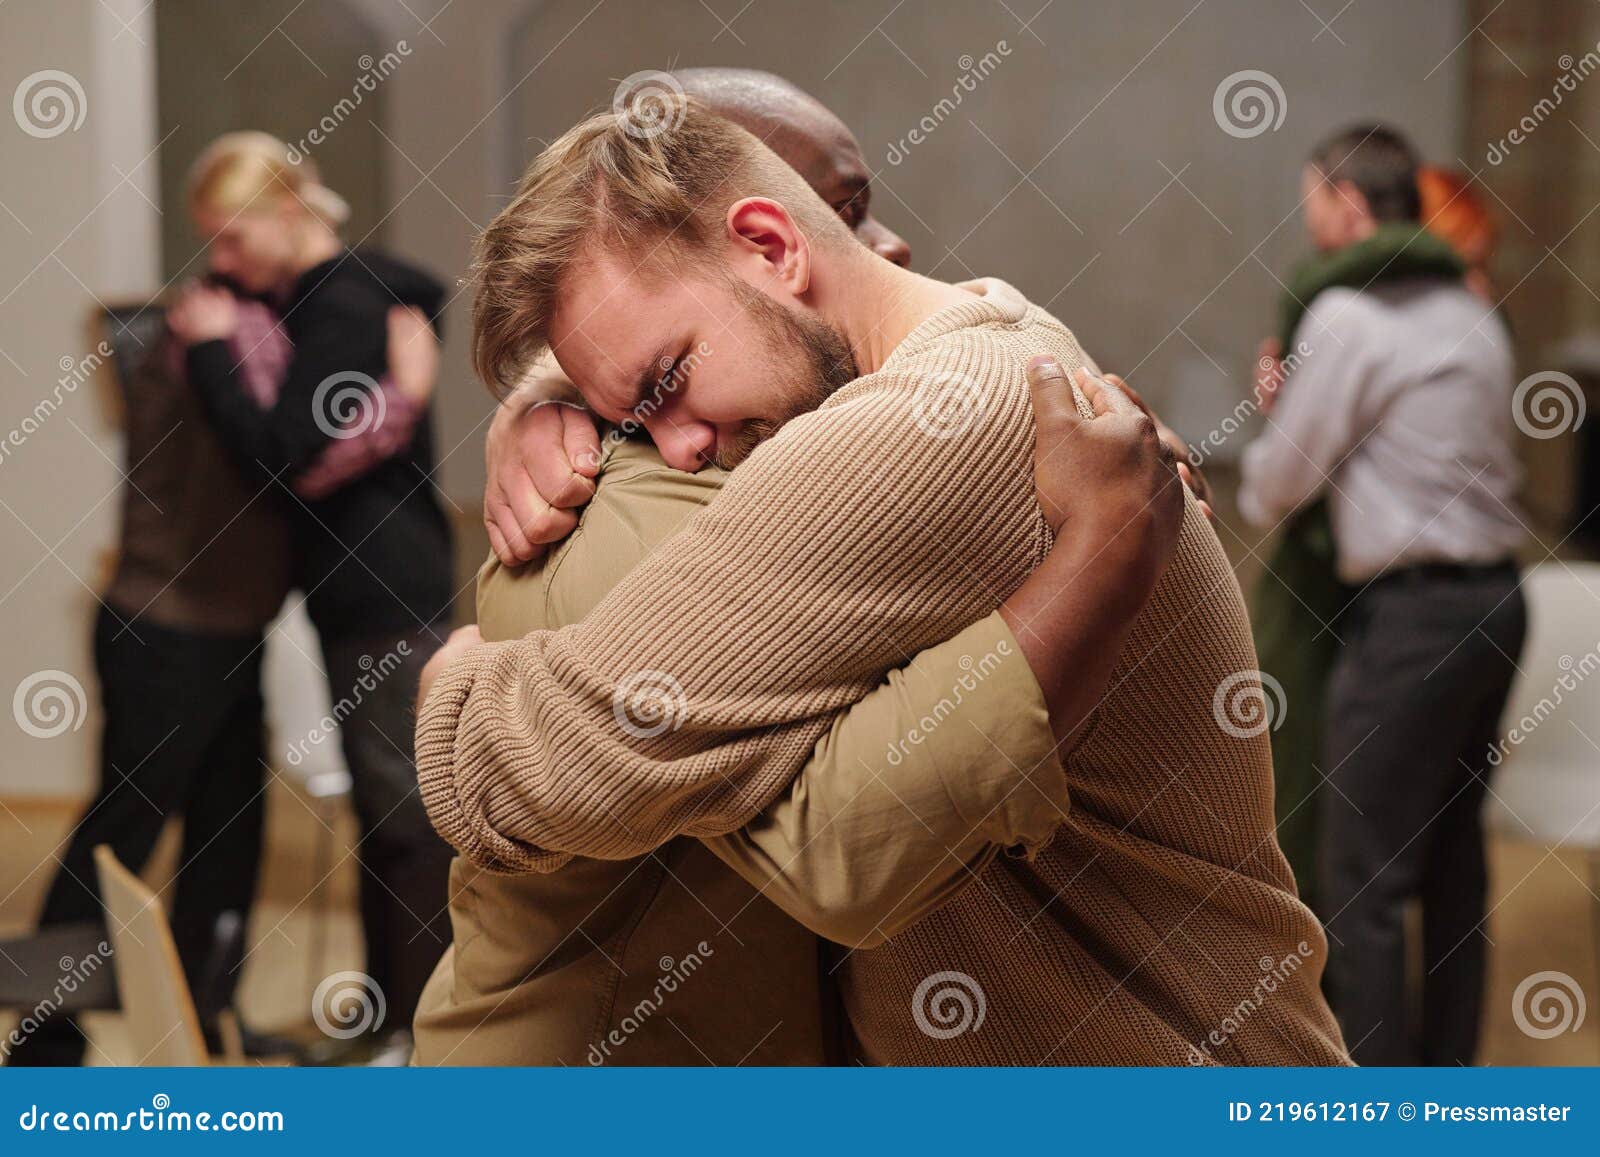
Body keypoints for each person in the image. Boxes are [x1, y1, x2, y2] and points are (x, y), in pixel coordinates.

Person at [417, 94, 1347, 1064]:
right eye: (632, 419)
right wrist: (542, 398)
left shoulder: (922, 430)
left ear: (771, 247)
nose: (679, 448)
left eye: (670, 378)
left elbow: (515, 771)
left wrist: (452, 681)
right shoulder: (983, 349)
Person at [4, 288, 436, 1066]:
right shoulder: (208, 350)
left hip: (230, 631)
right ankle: (44, 1045)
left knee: (228, 832)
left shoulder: (239, 344)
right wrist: (402, 394)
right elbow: (286, 456)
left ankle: (208, 1022)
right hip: (167, 630)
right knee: (126, 827)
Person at [1238, 124, 1527, 1066]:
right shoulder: (1473, 309)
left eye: (1312, 199)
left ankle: (1375, 1105)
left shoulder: (1351, 318)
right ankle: (1448, 1086)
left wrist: (1283, 406)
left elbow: (1275, 486)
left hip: (1411, 623)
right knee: (1451, 868)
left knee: (1359, 880)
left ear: (1351, 205)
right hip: (1495, 605)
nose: (1309, 219)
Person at [166, 132, 455, 1059]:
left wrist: (212, 354)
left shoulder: (341, 304)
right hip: (364, 591)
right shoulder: (336, 290)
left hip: (384, 589)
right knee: (385, 812)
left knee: (406, 819)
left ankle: (415, 1036)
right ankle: (387, 1022)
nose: (222, 264)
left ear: (289, 210)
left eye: (233, 238)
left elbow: (279, 452)